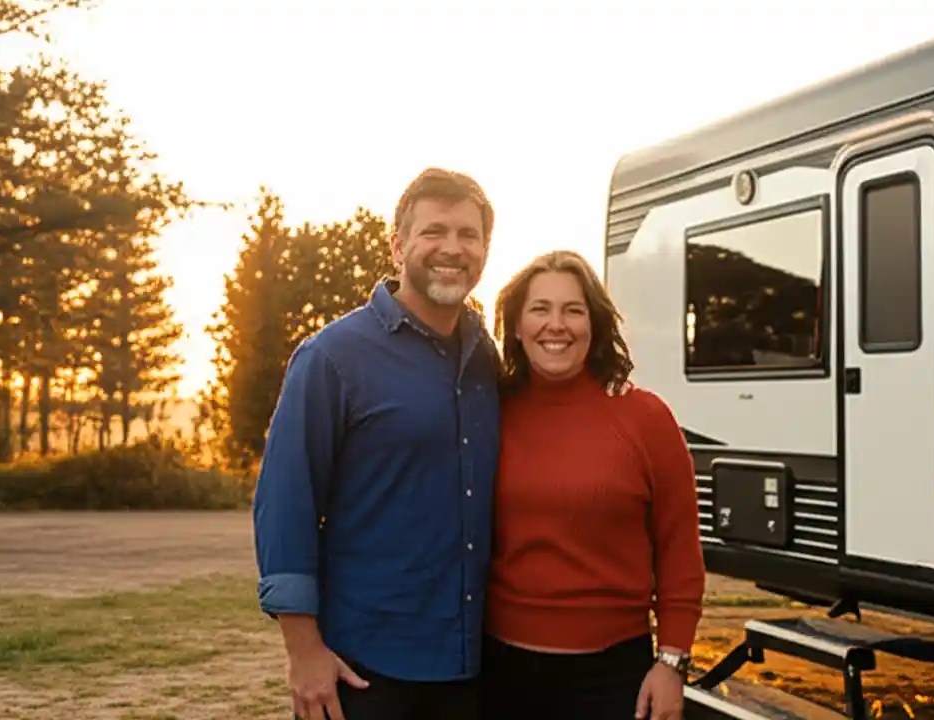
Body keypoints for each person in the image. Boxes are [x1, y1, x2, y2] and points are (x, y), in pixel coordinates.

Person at [252, 167, 500, 720]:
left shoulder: (488, 360)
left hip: (470, 670)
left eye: (468, 235)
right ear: (398, 245)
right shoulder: (332, 358)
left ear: (485, 249)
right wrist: (303, 651)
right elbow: (285, 507)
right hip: (362, 671)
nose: (452, 249)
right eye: (434, 231)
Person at [481, 249, 706, 720]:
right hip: (501, 673)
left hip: (614, 676)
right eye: (540, 309)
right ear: (517, 327)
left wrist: (672, 662)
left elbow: (679, 551)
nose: (556, 325)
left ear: (594, 325)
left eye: (573, 310)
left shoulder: (645, 418)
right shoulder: (488, 413)